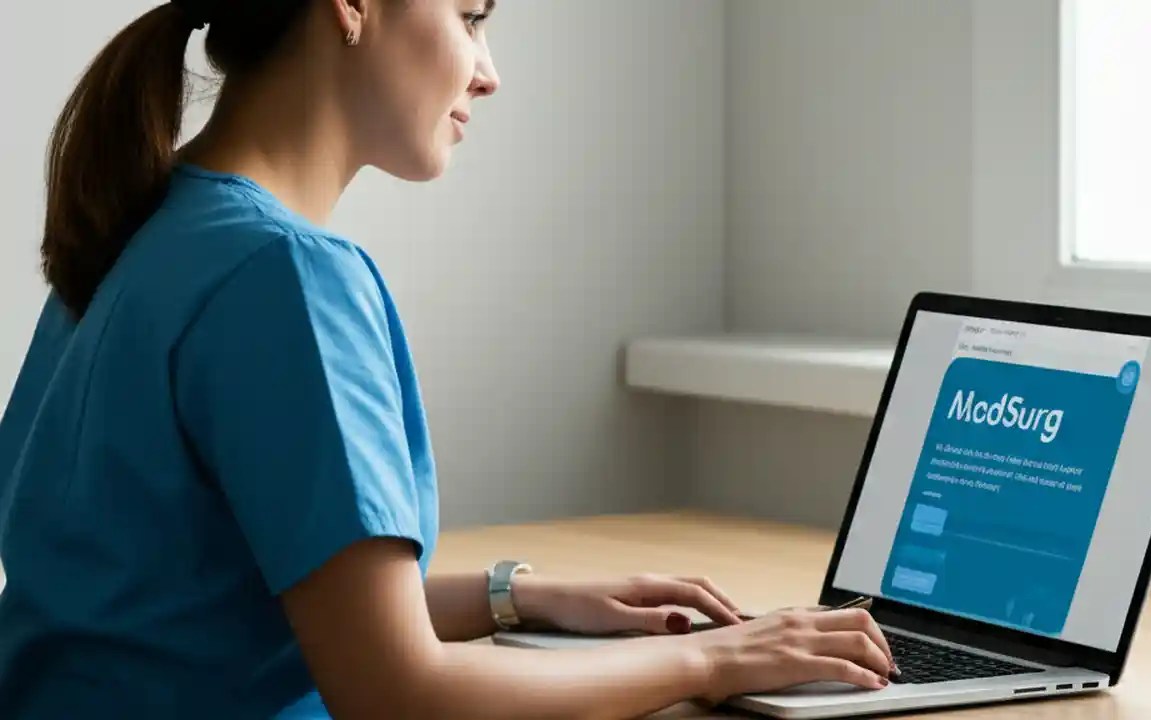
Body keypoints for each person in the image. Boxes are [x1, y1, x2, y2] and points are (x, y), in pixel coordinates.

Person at [0, 1, 897, 717]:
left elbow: (218, 613)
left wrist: (519, 597)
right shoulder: (283, 276)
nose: (489, 72)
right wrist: (713, 656)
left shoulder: (135, 231)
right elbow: (399, 694)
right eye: (471, 17)